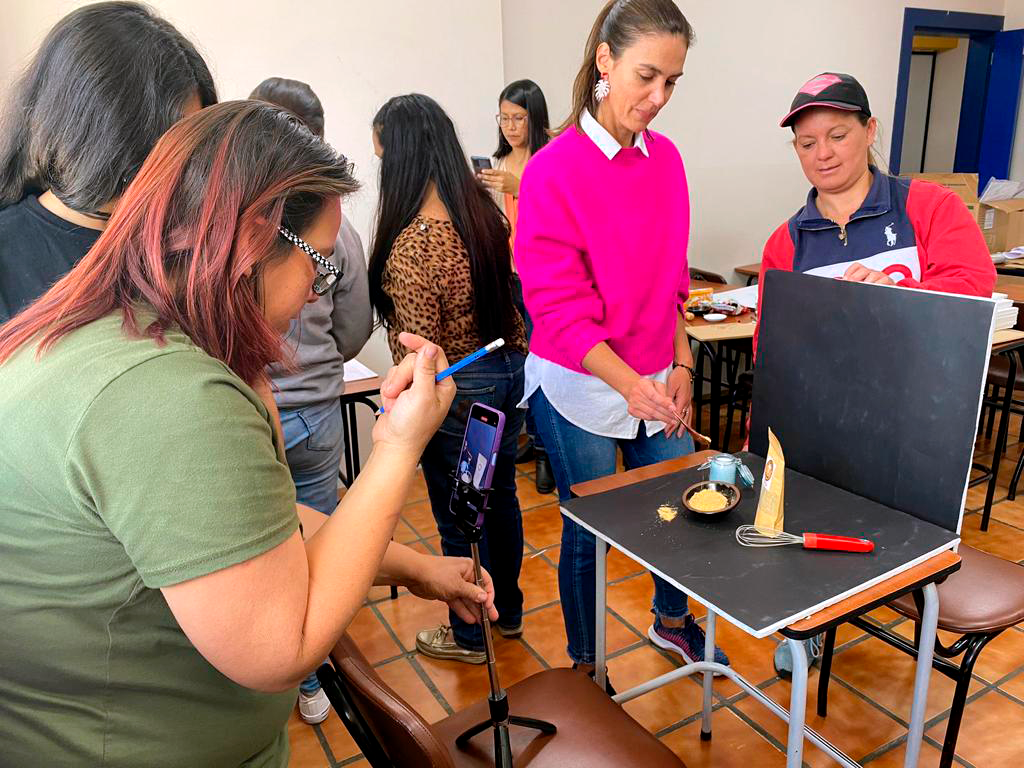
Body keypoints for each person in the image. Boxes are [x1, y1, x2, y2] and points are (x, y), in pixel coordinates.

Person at [0, 100, 497, 768]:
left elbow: (251, 533)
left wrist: (416, 569)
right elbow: (279, 647)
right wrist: (398, 447)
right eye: (318, 267)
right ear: (255, 237)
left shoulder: (128, 334)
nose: (320, 293)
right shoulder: (169, 396)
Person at [515, 0, 729, 692]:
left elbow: (672, 280)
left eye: (673, 81)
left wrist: (684, 362)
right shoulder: (553, 170)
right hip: (579, 380)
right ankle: (586, 666)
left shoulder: (666, 162)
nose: (658, 98)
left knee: (678, 508)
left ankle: (670, 619)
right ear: (605, 61)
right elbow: (559, 310)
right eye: (647, 76)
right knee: (591, 527)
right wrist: (628, 381)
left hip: (654, 371)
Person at [758, 72, 996, 679]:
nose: (824, 154)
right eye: (807, 144)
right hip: (827, 418)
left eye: (837, 135)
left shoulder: (926, 207)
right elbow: (771, 340)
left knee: (898, 535)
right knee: (809, 524)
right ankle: (804, 625)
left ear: (869, 131)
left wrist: (893, 295)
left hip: (911, 412)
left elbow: (973, 288)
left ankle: (893, 609)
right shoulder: (786, 242)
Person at [368, 93, 529, 664]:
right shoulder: (482, 216)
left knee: (459, 515)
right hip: (507, 372)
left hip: (461, 390)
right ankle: (506, 613)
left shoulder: (413, 242)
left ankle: (468, 637)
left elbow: (420, 357)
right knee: (500, 498)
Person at [250, 76, 374, 723]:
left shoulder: (326, 230)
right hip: (317, 404)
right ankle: (307, 677)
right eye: (315, 269)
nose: (308, 296)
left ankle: (309, 671)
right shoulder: (217, 393)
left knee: (311, 540)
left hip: (311, 407)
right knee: (310, 546)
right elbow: (353, 327)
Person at [0, 1, 216, 324]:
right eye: (168, 146)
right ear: (107, 140)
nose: (185, 167)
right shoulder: (8, 253)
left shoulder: (183, 252)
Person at [480, 78, 555, 494]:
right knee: (515, 364)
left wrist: (519, 188)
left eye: (518, 118)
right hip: (504, 276)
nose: (510, 127)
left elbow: (557, 213)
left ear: (535, 118)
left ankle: (546, 452)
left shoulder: (549, 161)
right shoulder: (497, 162)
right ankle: (526, 437)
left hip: (540, 277)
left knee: (543, 364)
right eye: (504, 117)